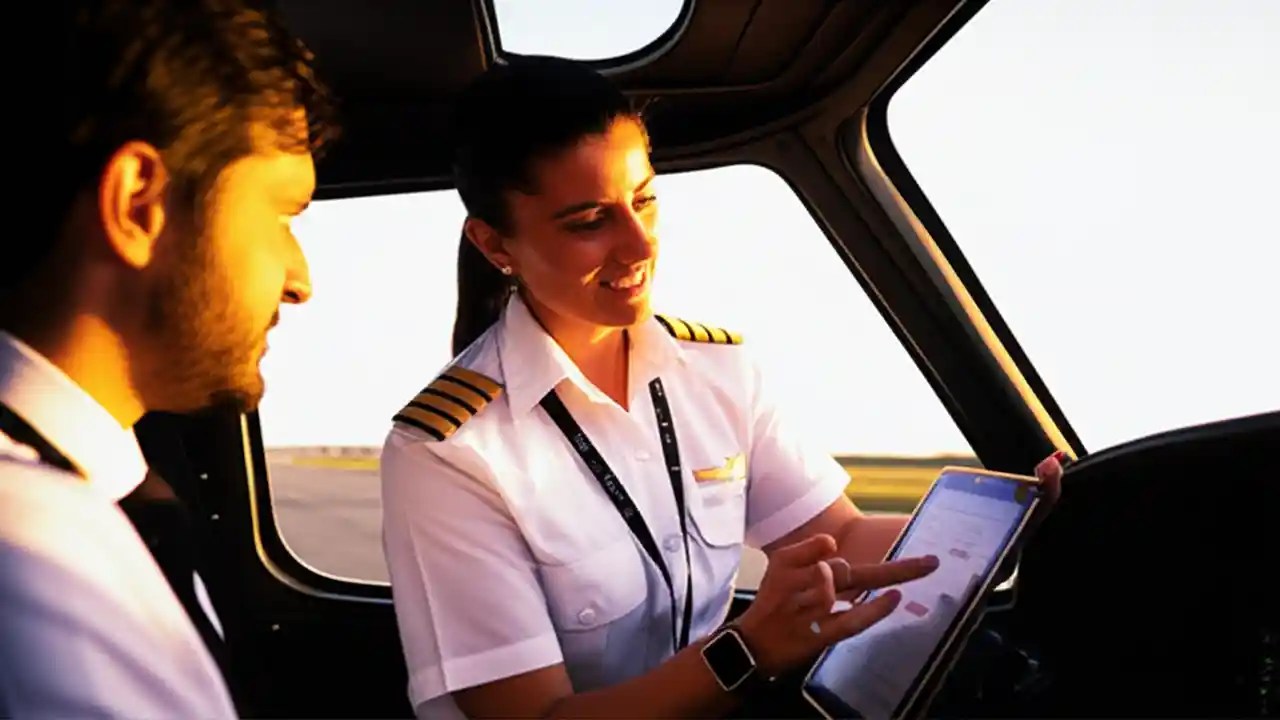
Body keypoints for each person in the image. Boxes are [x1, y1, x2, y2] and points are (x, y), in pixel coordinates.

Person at [379, 55, 1064, 719]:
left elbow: (838, 534)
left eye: (643, 201)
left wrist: (1003, 534)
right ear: (497, 245)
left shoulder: (712, 368)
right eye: (589, 222)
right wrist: (749, 648)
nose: (638, 245)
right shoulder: (448, 451)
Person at [0, 1, 336, 716]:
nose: (301, 278)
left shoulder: (107, 493)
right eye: (282, 217)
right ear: (139, 204)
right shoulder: (35, 553)